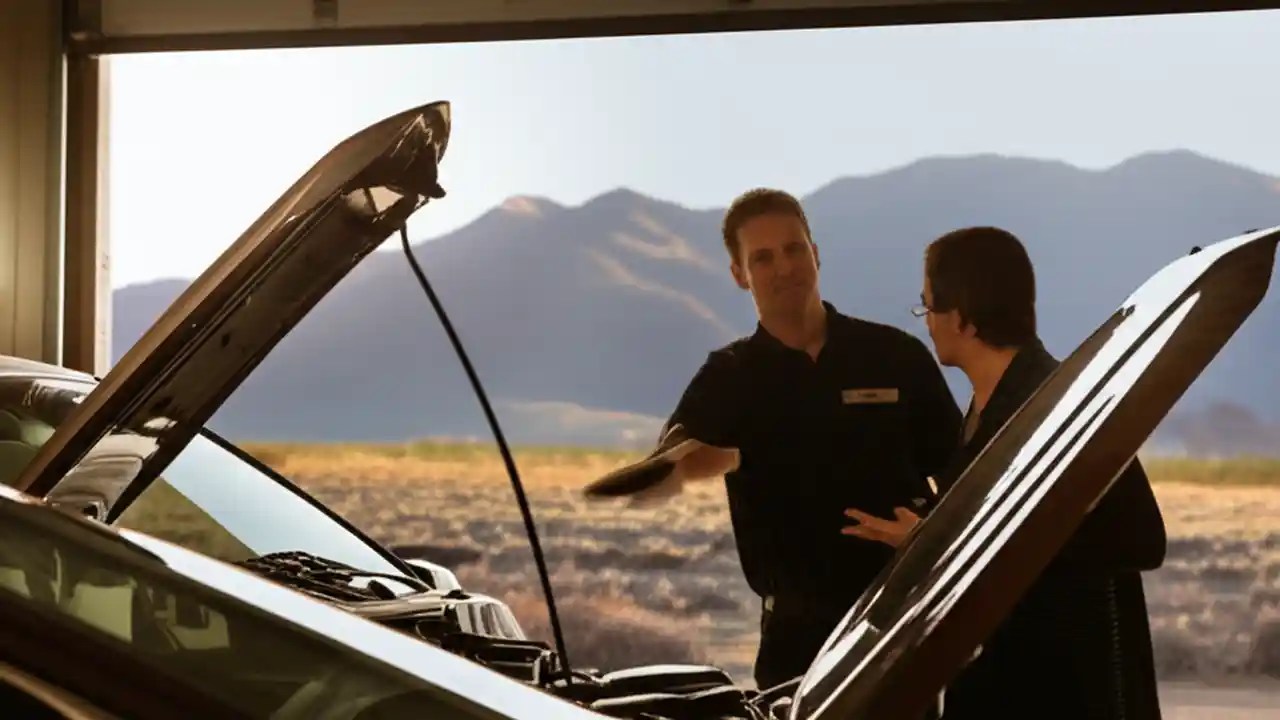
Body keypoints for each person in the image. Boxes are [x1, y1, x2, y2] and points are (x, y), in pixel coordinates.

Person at [583, 188, 963, 690]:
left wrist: (926, 534)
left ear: (816, 253)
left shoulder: (896, 356)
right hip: (797, 644)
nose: (783, 268)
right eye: (762, 258)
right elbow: (671, 459)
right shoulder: (729, 376)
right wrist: (663, 474)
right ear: (740, 275)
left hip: (902, 621)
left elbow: (965, 476)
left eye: (793, 249)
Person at [844, 226, 1167, 719]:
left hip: (1060, 691)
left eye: (929, 306)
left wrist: (944, 542)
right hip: (999, 680)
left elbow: (1140, 538)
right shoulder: (982, 406)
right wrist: (929, 536)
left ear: (965, 317)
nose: (926, 322)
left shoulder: (1066, 403)